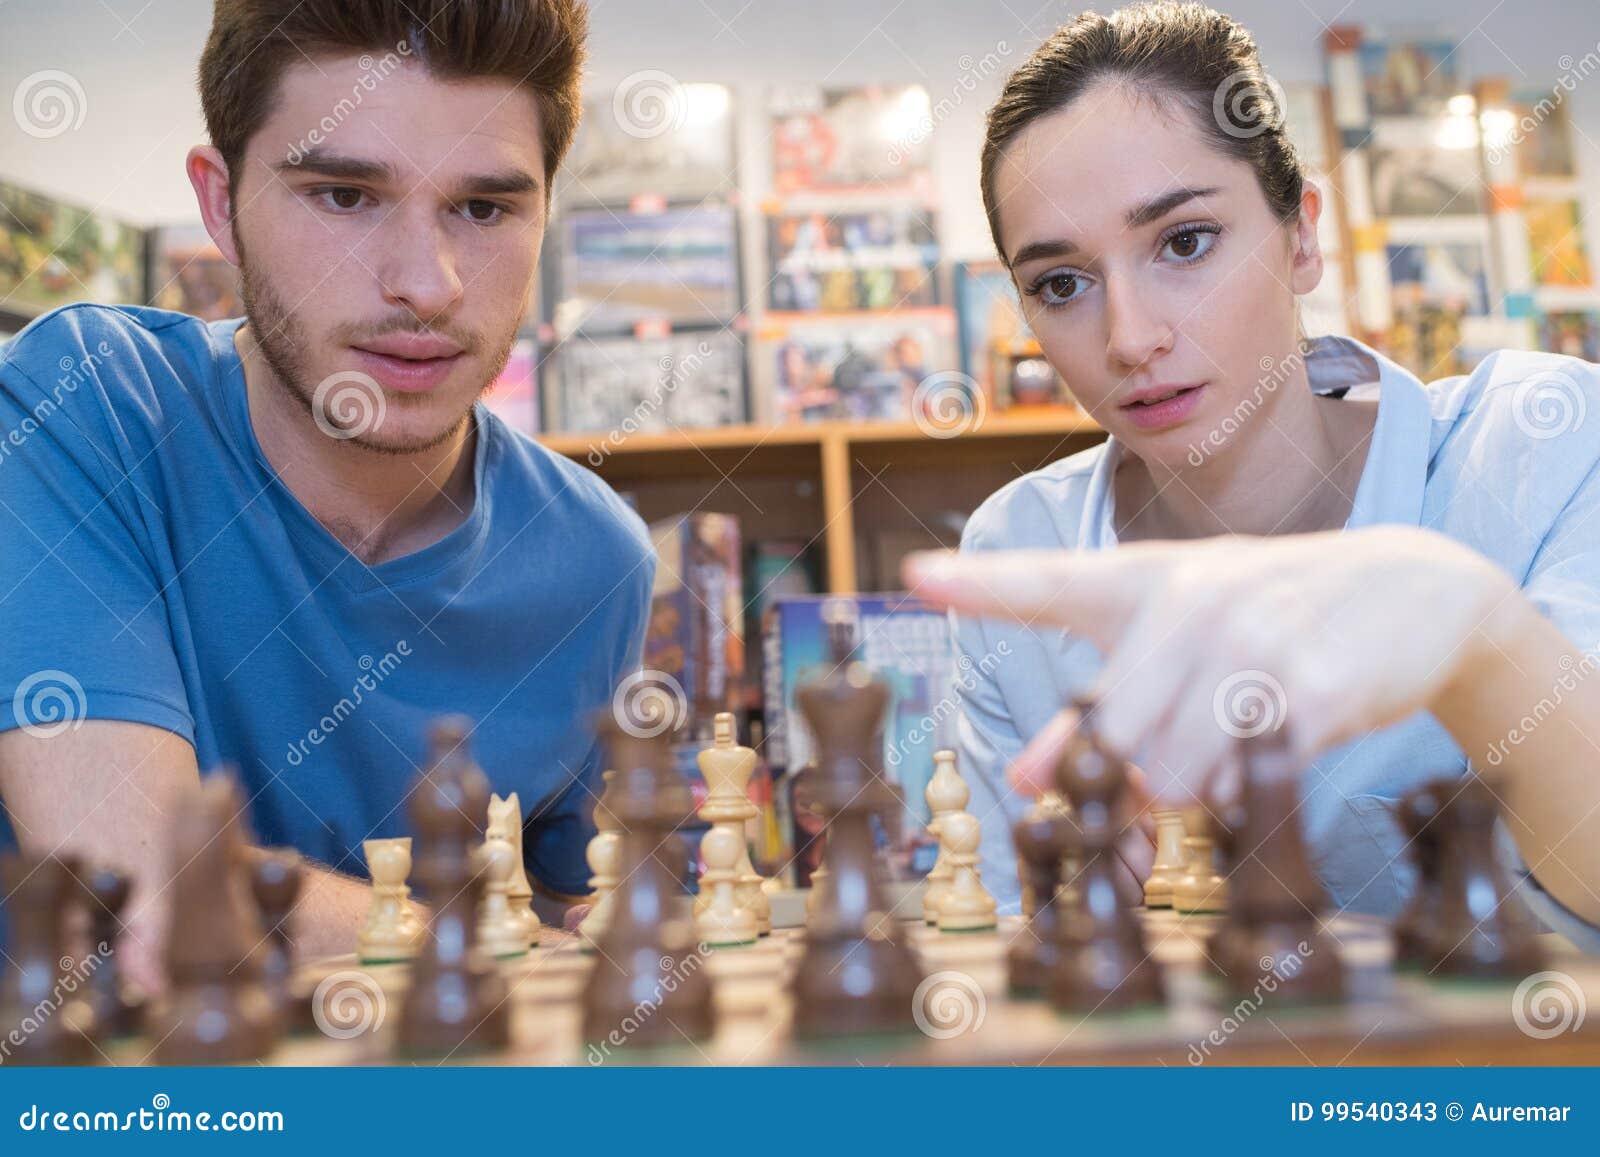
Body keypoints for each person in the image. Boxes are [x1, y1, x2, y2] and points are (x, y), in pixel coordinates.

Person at [903, 1, 1600, 950]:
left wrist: (1473, 631)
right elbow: (999, 949)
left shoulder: (1541, 446)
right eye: (1061, 283)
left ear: (1302, 236)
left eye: (1185, 242)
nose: (1131, 337)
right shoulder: (1018, 552)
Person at [0, 0, 650, 988]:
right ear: (220, 205)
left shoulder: (601, 559)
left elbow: (577, 916)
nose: (424, 285)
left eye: (483, 209)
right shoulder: (82, 404)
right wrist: (496, 938)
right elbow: (150, 904)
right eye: (344, 195)